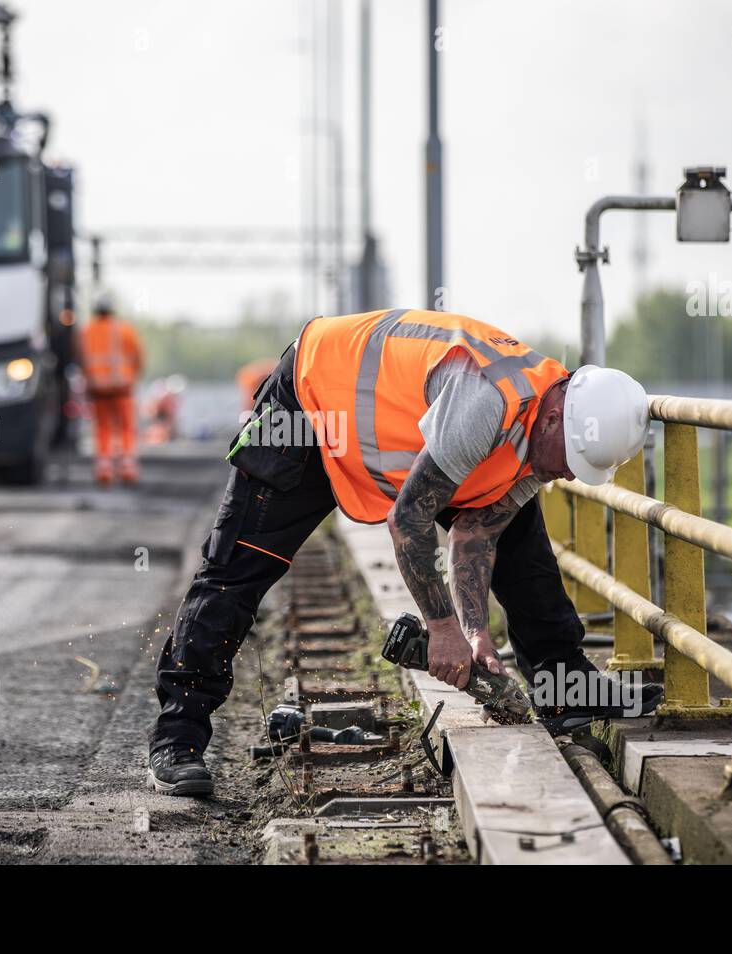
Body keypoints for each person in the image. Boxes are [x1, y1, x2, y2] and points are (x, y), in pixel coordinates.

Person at [148, 309, 657, 796]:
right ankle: (178, 738)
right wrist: (441, 629)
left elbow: (475, 534)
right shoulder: (485, 404)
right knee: (237, 571)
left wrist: (476, 633)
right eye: (572, 461)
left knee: (522, 542)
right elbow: (409, 520)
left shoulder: (542, 427)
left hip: (397, 435)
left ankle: (564, 688)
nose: (569, 475)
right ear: (553, 420)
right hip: (310, 404)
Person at [80, 295, 143, 486]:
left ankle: (104, 470)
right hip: (122, 388)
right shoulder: (124, 329)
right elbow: (138, 356)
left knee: (103, 429)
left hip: (98, 389)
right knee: (125, 428)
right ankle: (127, 469)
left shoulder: (86, 331)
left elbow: (80, 359)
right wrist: (133, 376)